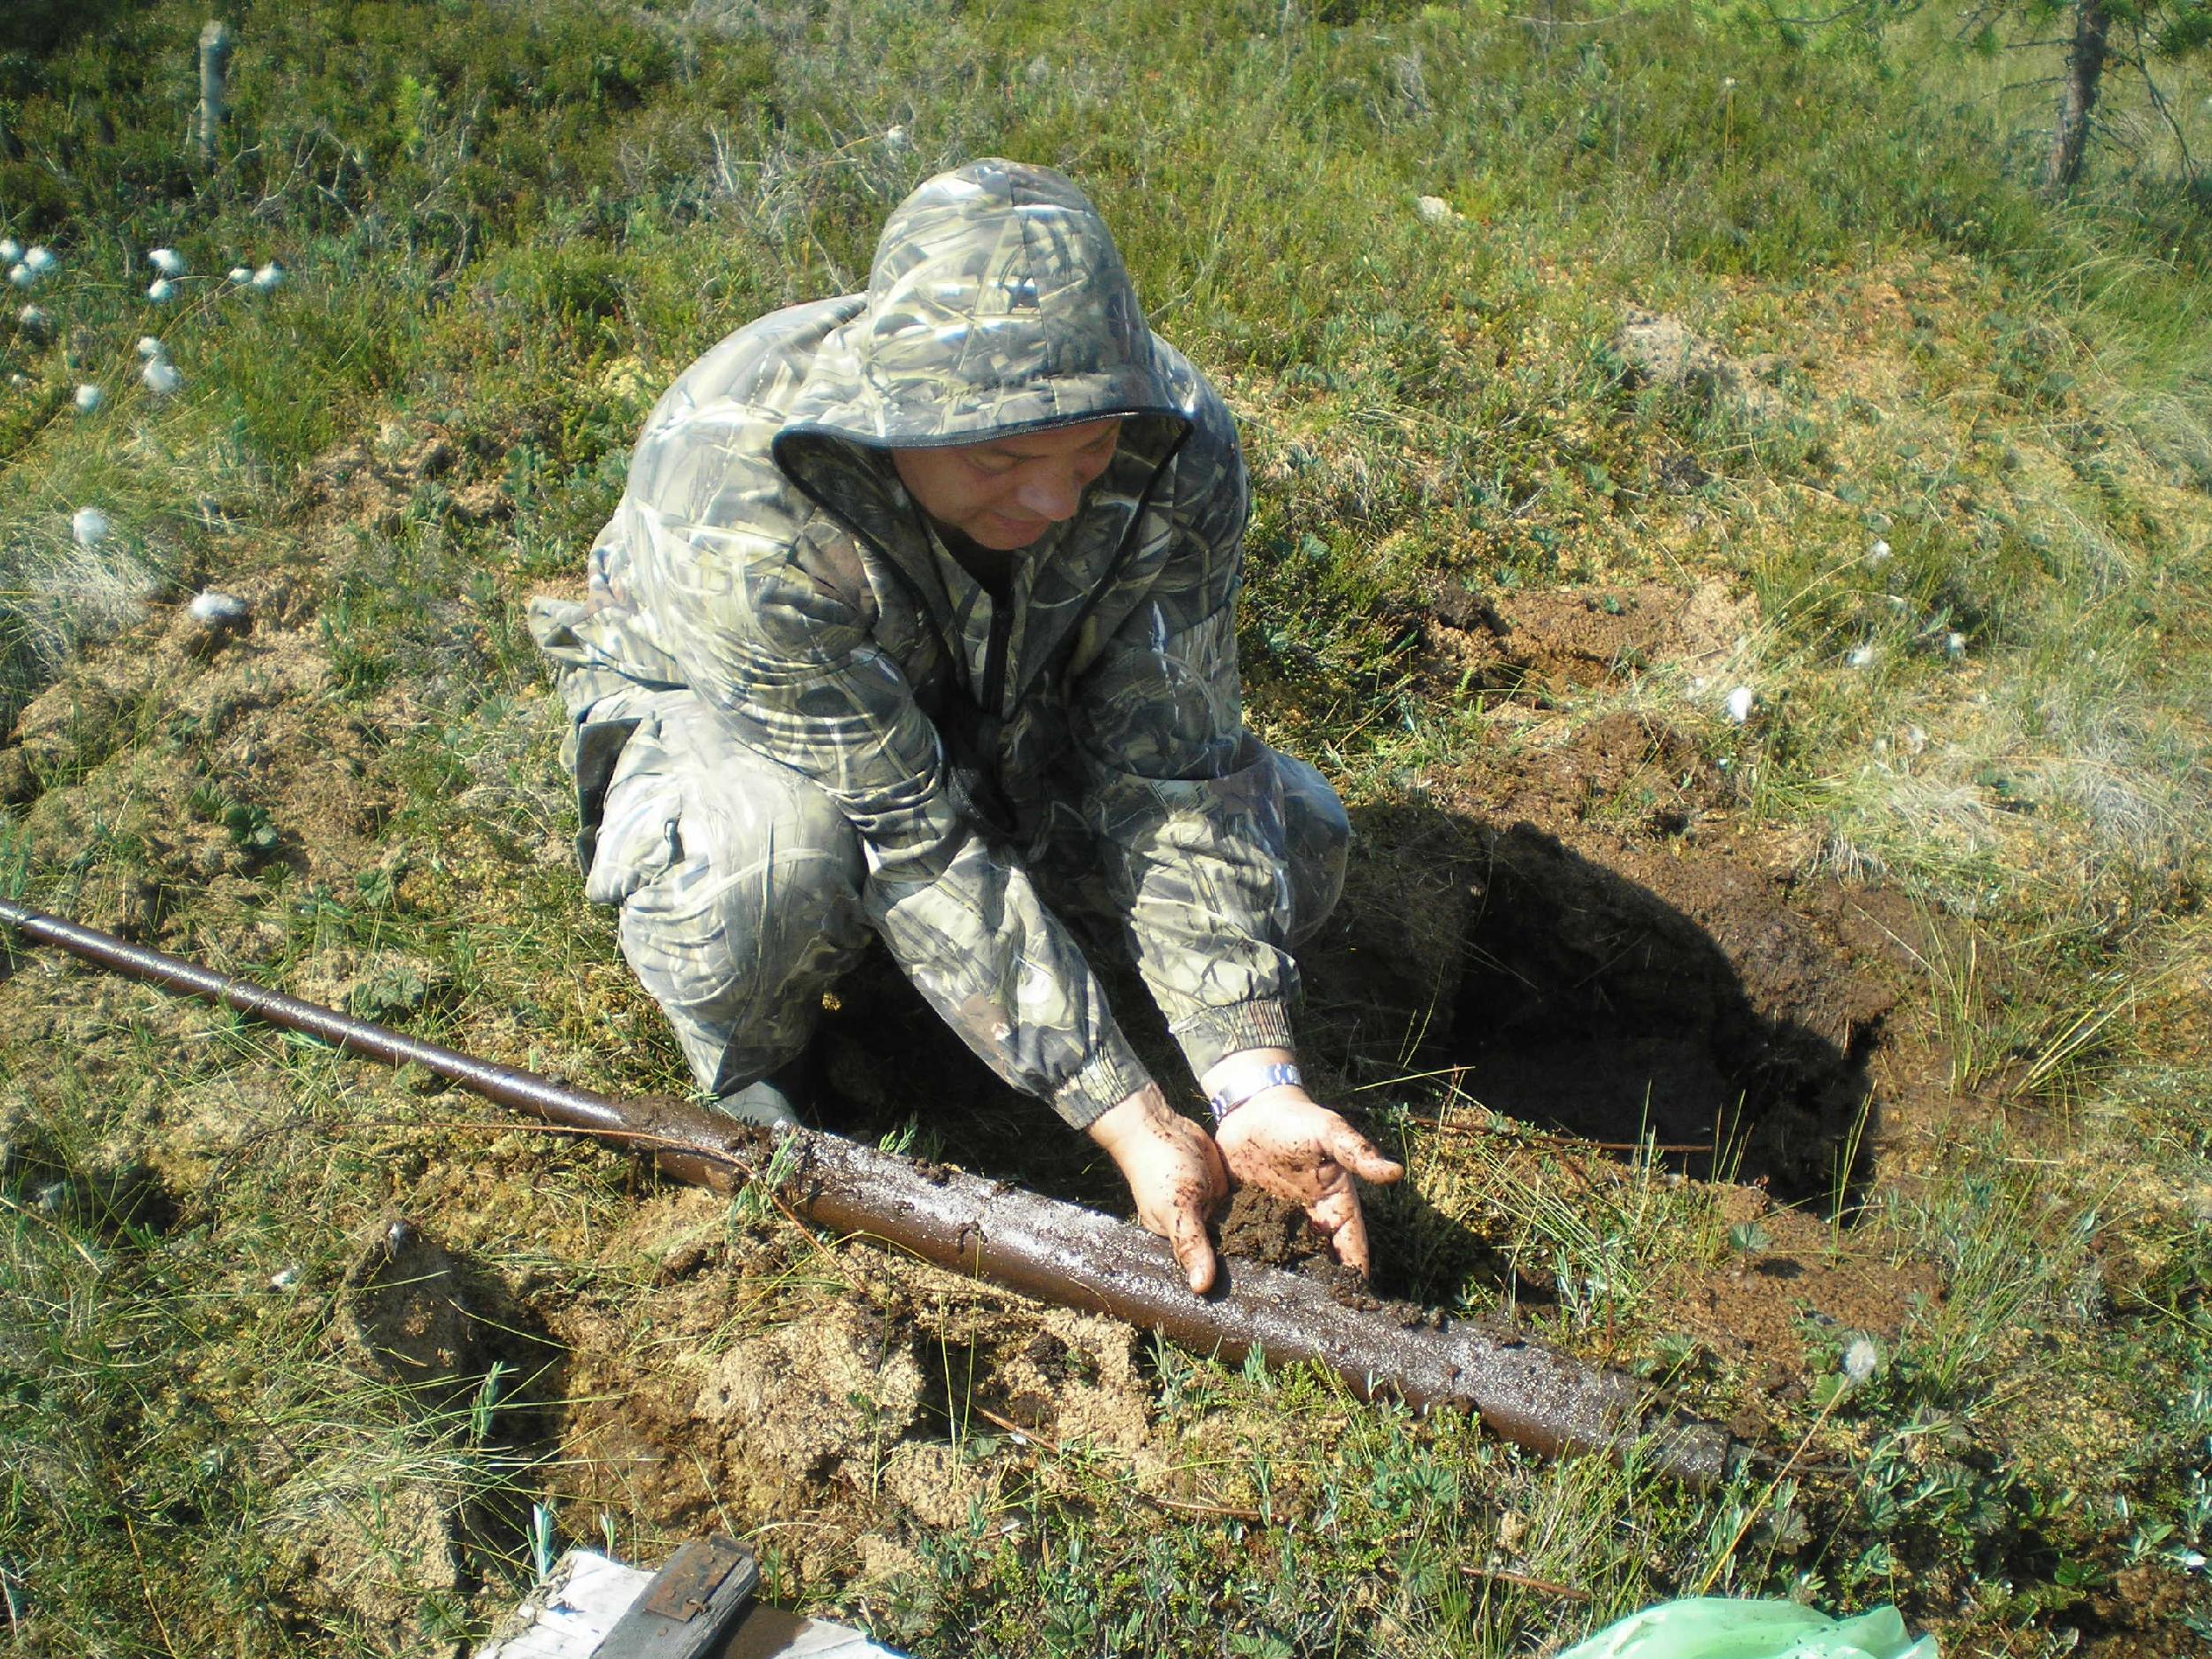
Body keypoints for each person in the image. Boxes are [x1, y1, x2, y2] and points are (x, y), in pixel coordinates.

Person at [530, 158, 1402, 1294]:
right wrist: (1129, 1117)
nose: (1054, 503)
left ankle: (984, 998)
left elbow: (1177, 771)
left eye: (1087, 455)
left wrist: (1252, 1083)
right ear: (892, 426)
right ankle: (765, 1051)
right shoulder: (737, 501)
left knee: (1305, 837)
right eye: (999, 459)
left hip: (997, 712)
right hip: (746, 730)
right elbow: (910, 830)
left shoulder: (1174, 445)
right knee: (771, 868)